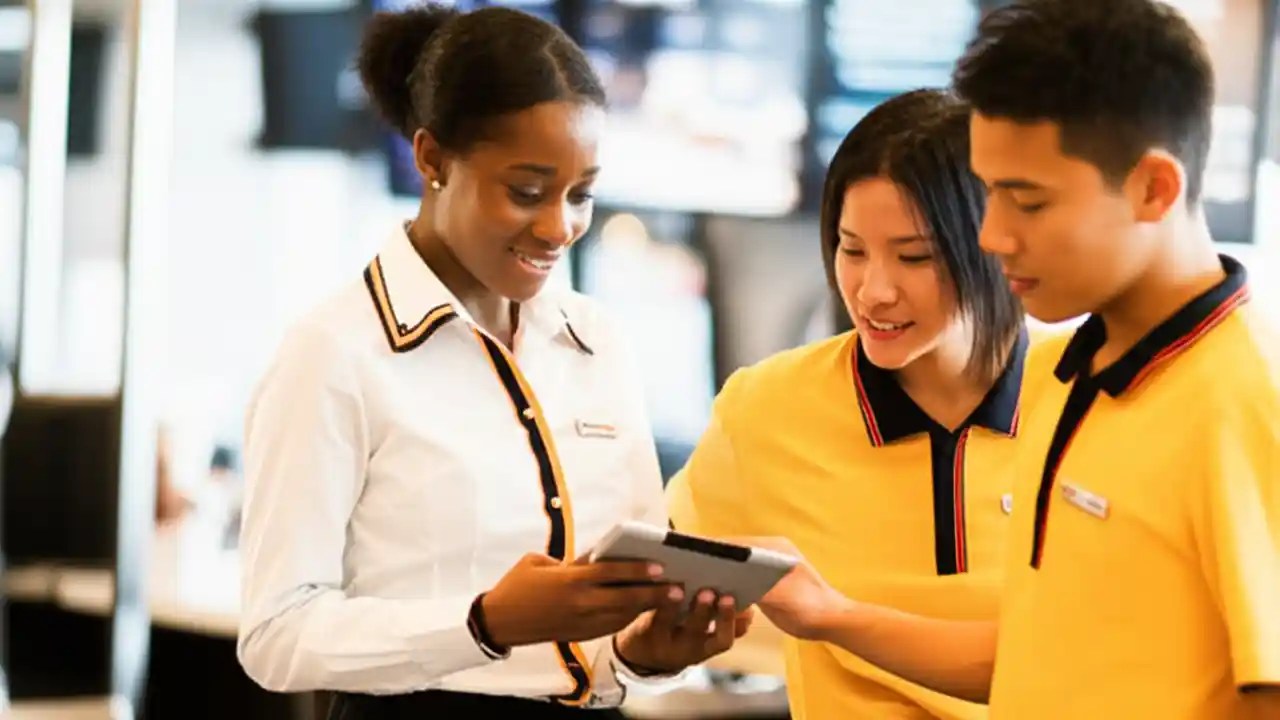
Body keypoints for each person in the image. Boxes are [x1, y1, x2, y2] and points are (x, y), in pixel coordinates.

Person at [750, 1, 1280, 718]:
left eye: (1025, 202)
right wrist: (829, 616)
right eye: (990, 193)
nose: (992, 236)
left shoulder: (1244, 399)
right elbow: (1037, 654)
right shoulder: (1073, 377)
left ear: (1154, 188)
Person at [236, 4, 750, 718]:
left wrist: (643, 653)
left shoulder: (597, 341)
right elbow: (276, 635)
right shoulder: (335, 353)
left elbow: (611, 637)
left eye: (581, 194)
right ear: (430, 158)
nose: (559, 226)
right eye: (527, 192)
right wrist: (485, 623)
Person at [666, 88, 1040, 719]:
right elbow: (656, 602)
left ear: (996, 243)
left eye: (915, 256)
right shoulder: (765, 410)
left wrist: (834, 617)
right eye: (851, 248)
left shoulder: (1089, 409)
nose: (873, 291)